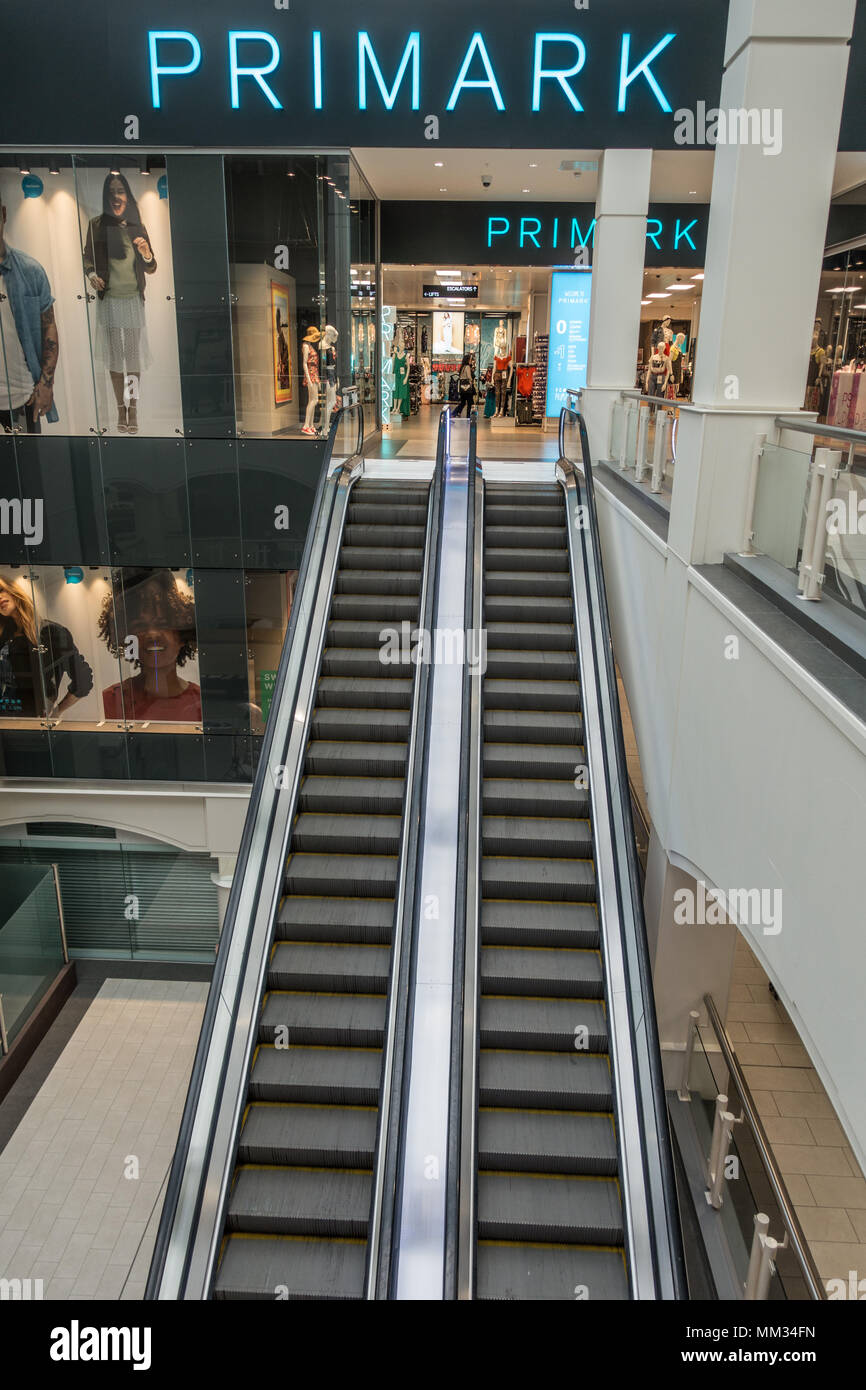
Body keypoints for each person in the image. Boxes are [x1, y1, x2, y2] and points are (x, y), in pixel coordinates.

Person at [83, 172, 156, 435]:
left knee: (133, 356)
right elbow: (87, 257)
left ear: (127, 195)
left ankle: (133, 407)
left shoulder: (138, 226)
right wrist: (92, 275)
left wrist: (146, 253)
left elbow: (151, 266)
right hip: (111, 300)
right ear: (106, 195)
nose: (116, 196)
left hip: (133, 299)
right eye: (112, 191)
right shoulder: (96, 225)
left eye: (120, 191)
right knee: (115, 356)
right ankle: (119, 407)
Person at [98, 567, 201, 723]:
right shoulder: (112, 699)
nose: (152, 634)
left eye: (162, 624)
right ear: (127, 638)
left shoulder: (201, 701)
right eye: (140, 626)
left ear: (182, 636)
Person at [0, 201, 59, 434]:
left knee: (27, 469)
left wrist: (46, 383)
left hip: (22, 397)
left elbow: (49, 327)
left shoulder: (30, 271)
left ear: (3, 213)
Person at [0, 576, 92, 718]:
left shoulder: (51, 633)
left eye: (1, 590)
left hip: (33, 722)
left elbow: (83, 680)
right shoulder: (5, 636)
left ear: (13, 590)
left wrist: (56, 712)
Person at [453, 353, 476, 417]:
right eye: (470, 360)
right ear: (468, 360)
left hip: (462, 387)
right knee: (469, 403)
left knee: (463, 403)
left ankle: (454, 413)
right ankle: (468, 416)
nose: (471, 361)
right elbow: (469, 377)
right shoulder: (467, 367)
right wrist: (471, 381)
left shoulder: (462, 367)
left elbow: (460, 377)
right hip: (468, 387)